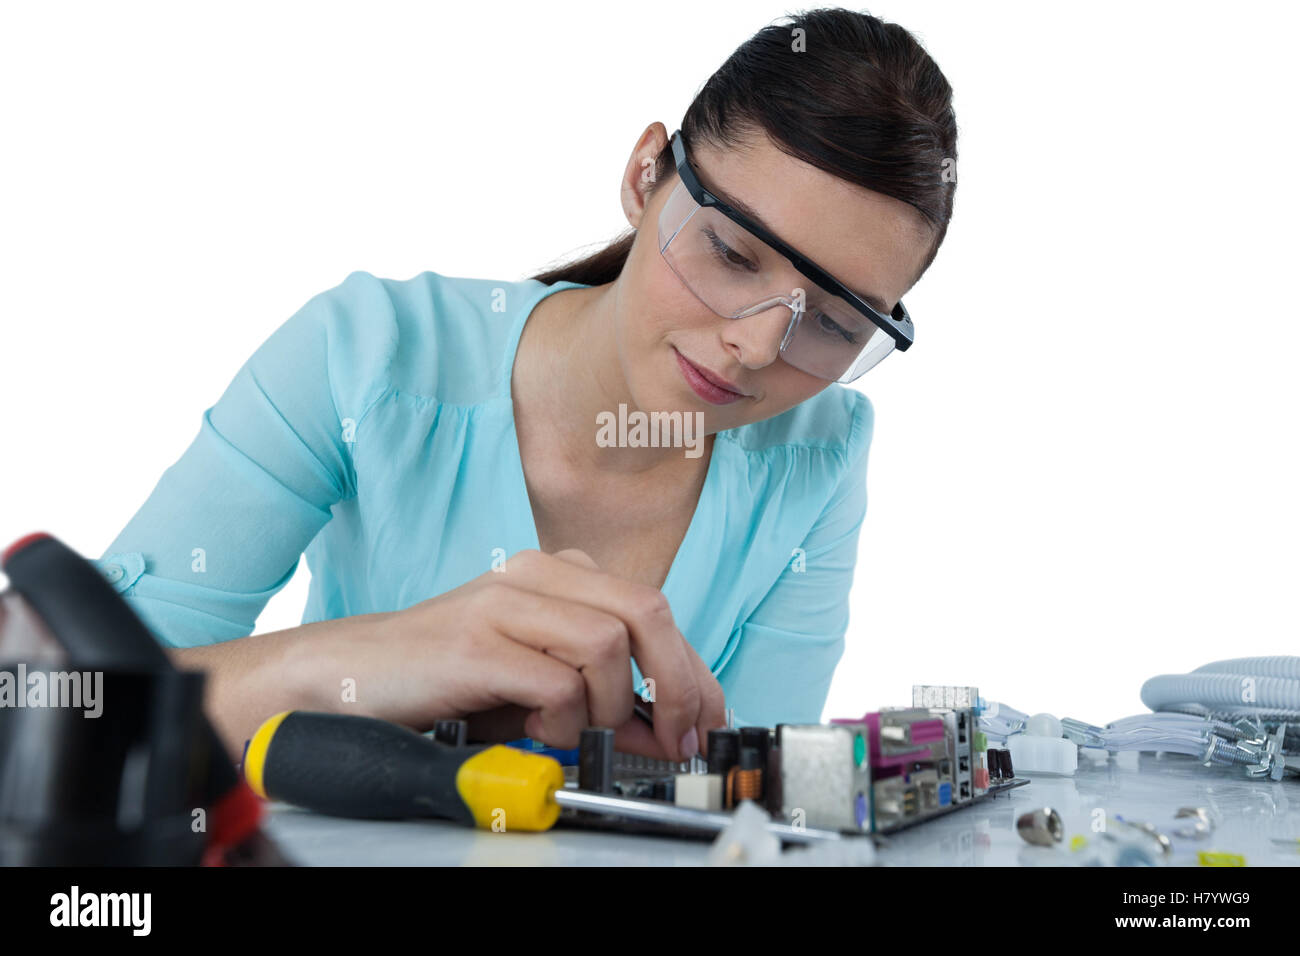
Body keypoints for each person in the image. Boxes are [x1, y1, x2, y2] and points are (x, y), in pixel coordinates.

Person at [93, 8, 958, 762]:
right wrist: (376, 659)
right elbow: (69, 708)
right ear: (645, 174)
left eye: (837, 323)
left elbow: (748, 810)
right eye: (731, 253)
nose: (759, 347)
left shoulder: (821, 454)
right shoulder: (365, 355)